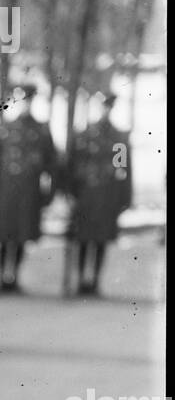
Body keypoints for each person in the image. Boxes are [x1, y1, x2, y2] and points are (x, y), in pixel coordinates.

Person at [0, 81, 58, 293]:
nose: (25, 105)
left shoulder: (41, 130)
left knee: (22, 235)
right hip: (6, 192)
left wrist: (48, 194)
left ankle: (13, 276)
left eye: (29, 101)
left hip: (28, 193)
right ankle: (2, 277)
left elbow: (51, 165)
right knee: (4, 235)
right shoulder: (6, 128)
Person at [65, 91, 132, 296]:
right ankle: (81, 281)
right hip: (86, 196)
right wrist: (70, 193)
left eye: (108, 107)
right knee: (83, 239)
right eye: (102, 106)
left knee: (101, 240)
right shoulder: (84, 135)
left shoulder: (118, 138)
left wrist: (124, 197)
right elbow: (72, 166)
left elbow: (122, 169)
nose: (105, 110)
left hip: (106, 196)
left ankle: (94, 281)